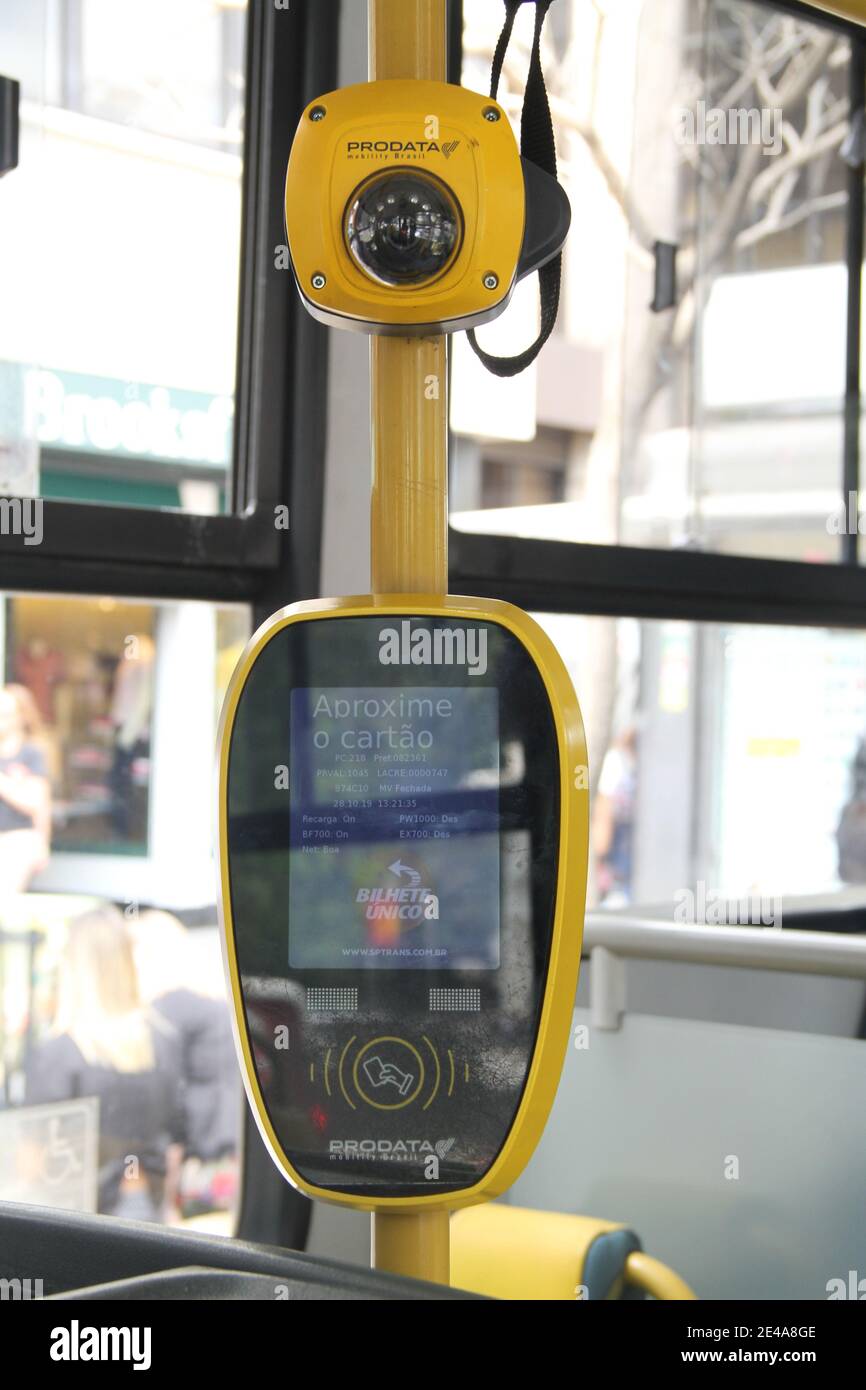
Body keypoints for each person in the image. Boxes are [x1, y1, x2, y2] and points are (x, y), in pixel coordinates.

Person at [25, 906, 183, 1220]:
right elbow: (174, 1146)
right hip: (150, 1218)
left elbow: (33, 1169)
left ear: (72, 967)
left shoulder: (59, 1055)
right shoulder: (163, 1043)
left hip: (82, 1226)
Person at [132, 910, 240, 1218]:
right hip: (231, 1168)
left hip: (194, 1171)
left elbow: (169, 1107)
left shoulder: (166, 1012)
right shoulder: (218, 1007)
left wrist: (166, 1198)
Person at [0, 683, 51, 894]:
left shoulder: (31, 753)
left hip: (17, 837)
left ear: (20, 717)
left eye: (6, 714)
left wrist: (42, 843)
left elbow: (37, 803)